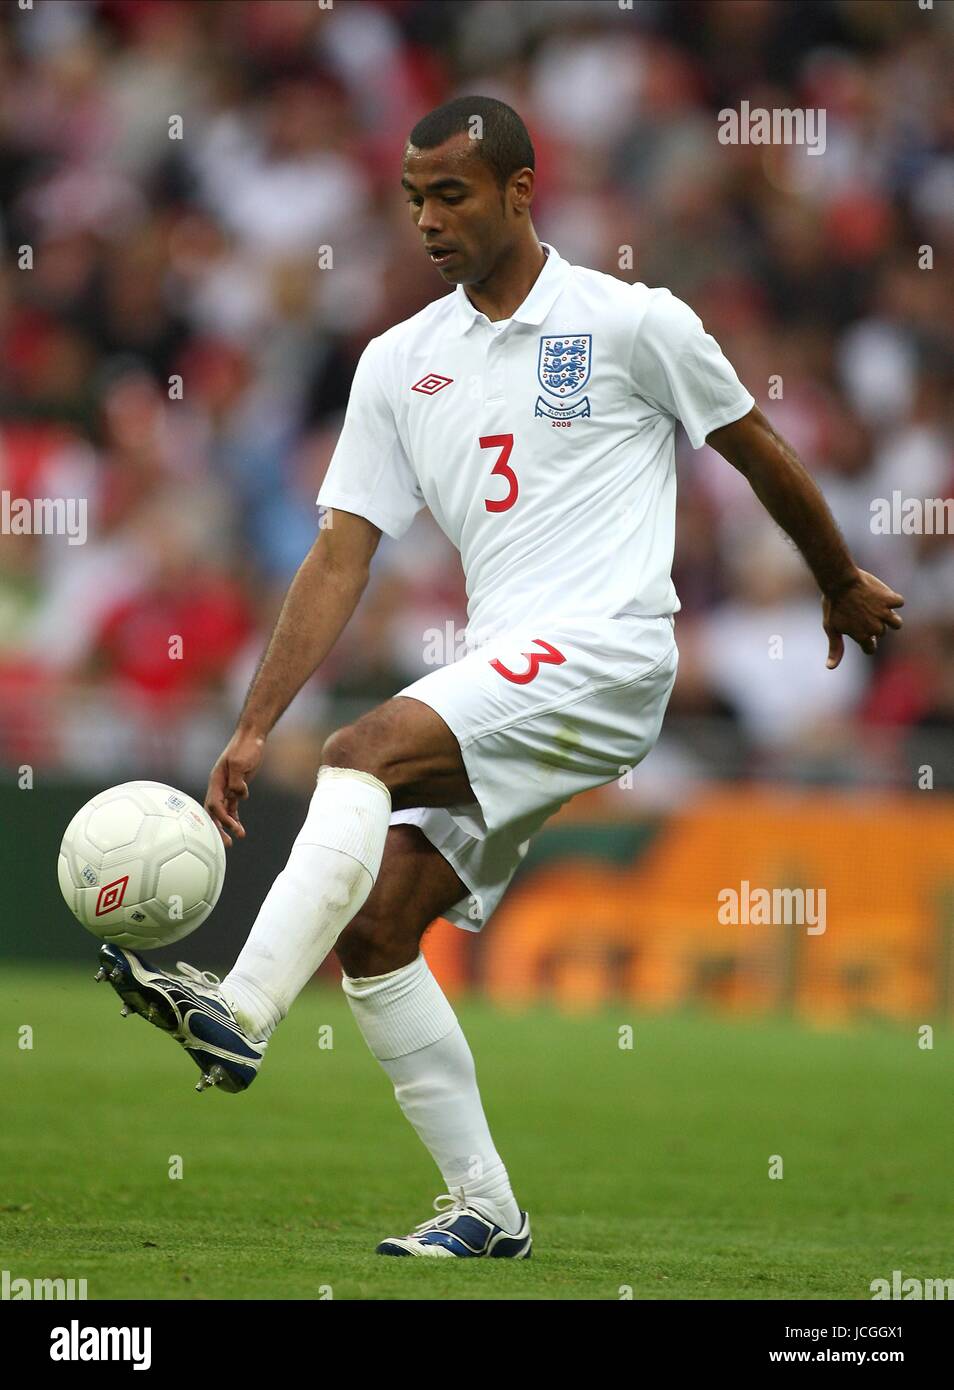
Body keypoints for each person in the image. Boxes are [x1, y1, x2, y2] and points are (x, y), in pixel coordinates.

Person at [97, 96, 904, 1260]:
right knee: (378, 929)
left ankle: (238, 1009)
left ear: (523, 191)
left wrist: (836, 578)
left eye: (453, 194)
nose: (428, 219)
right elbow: (340, 553)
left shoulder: (633, 322)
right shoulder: (397, 363)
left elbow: (753, 445)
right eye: (414, 198)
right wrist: (250, 720)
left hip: (614, 649)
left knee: (360, 752)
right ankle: (487, 1207)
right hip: (510, 670)